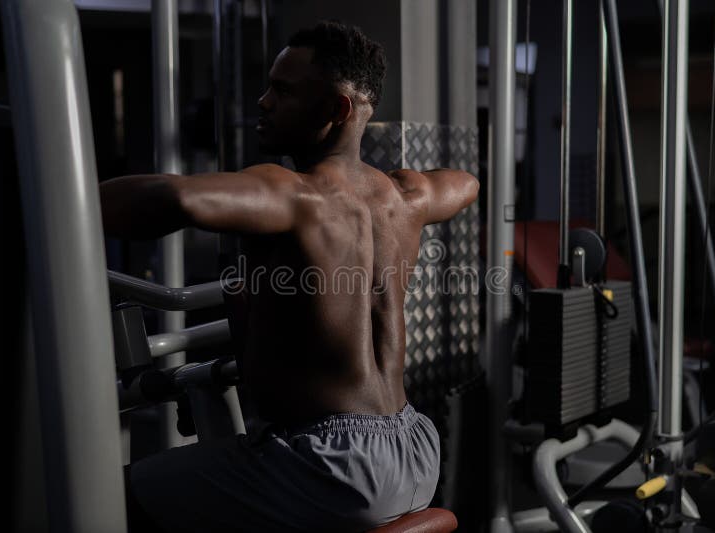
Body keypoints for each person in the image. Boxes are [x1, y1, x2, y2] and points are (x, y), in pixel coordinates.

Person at [101, 21, 478, 533]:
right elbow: (466, 184)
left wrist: (55, 192)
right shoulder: (405, 197)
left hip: (332, 467)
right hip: (414, 449)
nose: (263, 102)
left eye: (283, 90)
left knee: (109, 498)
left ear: (337, 109)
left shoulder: (294, 193)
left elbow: (178, 198)